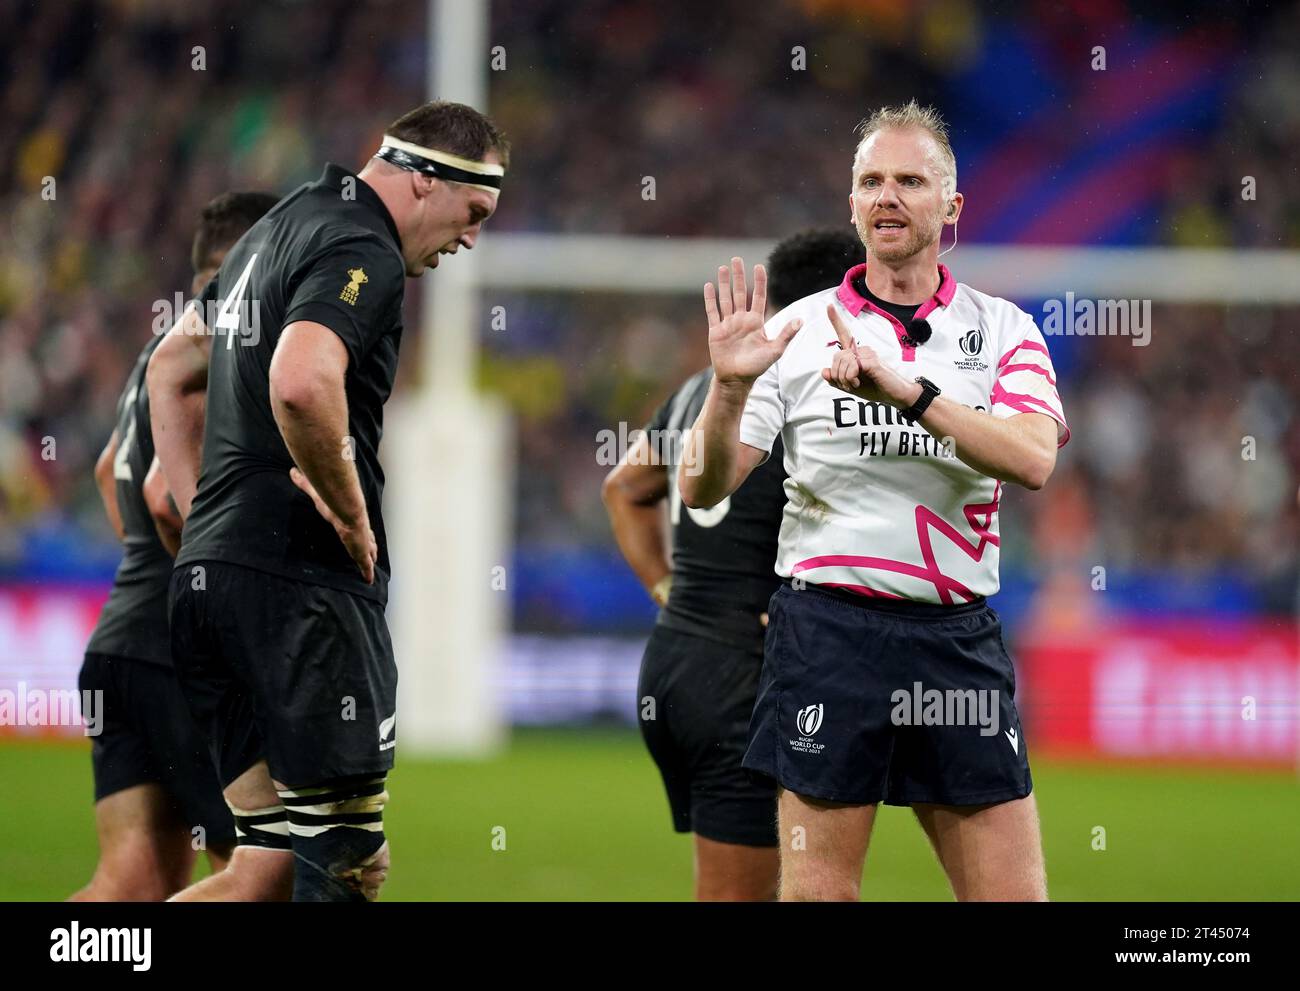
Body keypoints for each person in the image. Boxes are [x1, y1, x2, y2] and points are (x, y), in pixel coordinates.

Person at [679, 101, 1069, 902]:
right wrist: (725, 388)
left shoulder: (1003, 330)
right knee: (822, 893)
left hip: (956, 636)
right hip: (829, 634)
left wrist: (907, 389)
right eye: (871, 181)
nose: (887, 196)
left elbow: (1033, 458)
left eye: (910, 181)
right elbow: (702, 484)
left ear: (952, 207)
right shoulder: (792, 331)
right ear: (850, 203)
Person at [147, 101, 508, 901]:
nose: (473, 238)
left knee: (266, 868)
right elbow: (303, 381)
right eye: (473, 213)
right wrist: (349, 510)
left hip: (213, 584)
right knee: (345, 868)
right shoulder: (362, 244)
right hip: (302, 589)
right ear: (423, 181)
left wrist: (204, 511)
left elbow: (168, 370)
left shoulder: (271, 231)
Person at [602, 228, 862, 901]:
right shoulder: (810, 393)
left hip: (676, 659)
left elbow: (624, 488)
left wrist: (667, 589)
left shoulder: (706, 389)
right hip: (746, 678)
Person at [72, 191, 279, 901]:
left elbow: (111, 471)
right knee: (255, 875)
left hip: (120, 642)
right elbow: (165, 491)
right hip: (183, 656)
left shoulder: (153, 356)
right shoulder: (232, 340)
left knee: (130, 883)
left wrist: (151, 566)